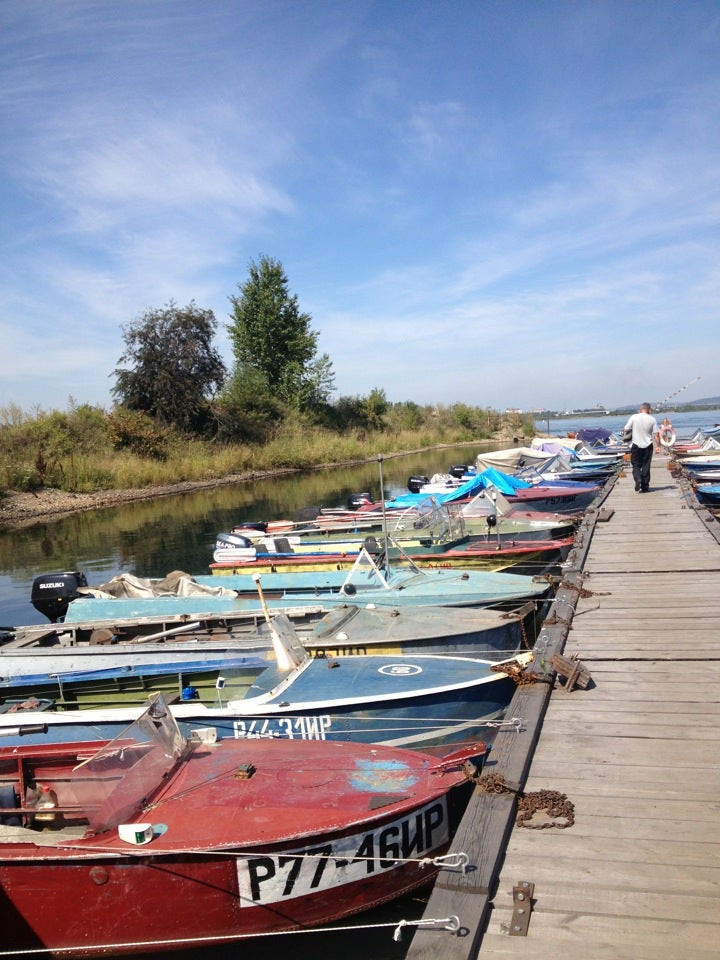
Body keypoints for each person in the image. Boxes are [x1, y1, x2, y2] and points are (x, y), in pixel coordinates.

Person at [623, 402, 660, 493]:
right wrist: (658, 446)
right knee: (646, 466)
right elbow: (656, 435)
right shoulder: (652, 419)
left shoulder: (634, 417)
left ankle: (638, 478)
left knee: (636, 465)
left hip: (636, 445)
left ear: (641, 408)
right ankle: (645, 486)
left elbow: (626, 429)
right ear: (649, 409)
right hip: (648, 446)